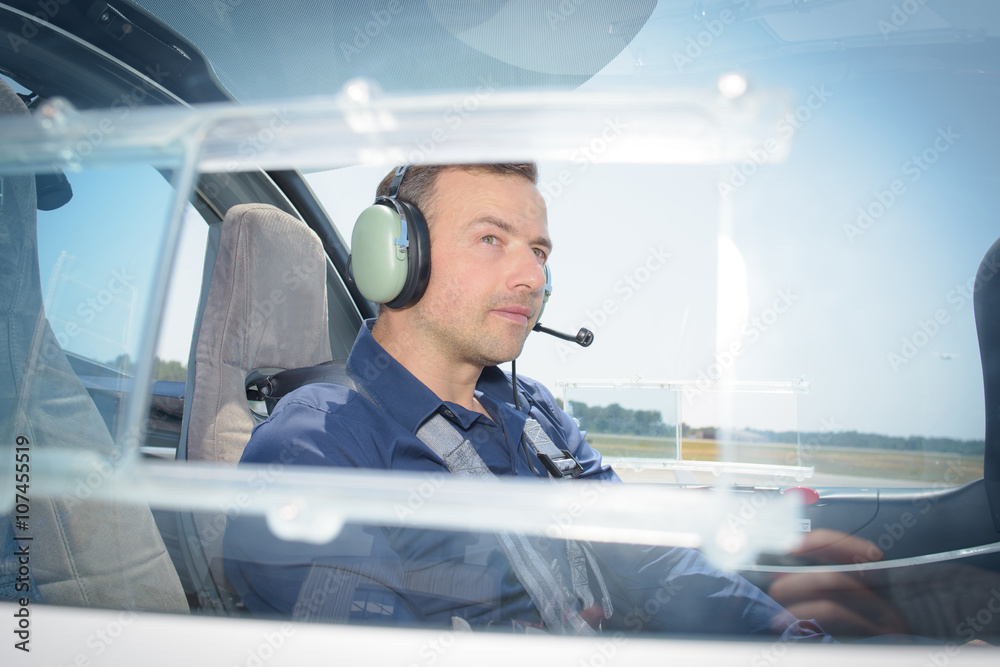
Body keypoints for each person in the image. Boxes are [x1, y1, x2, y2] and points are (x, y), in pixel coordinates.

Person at [223, 162, 832, 641]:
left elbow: (649, 557)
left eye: (538, 252)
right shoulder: (314, 451)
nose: (533, 278)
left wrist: (786, 634)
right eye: (492, 238)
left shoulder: (533, 412)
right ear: (396, 255)